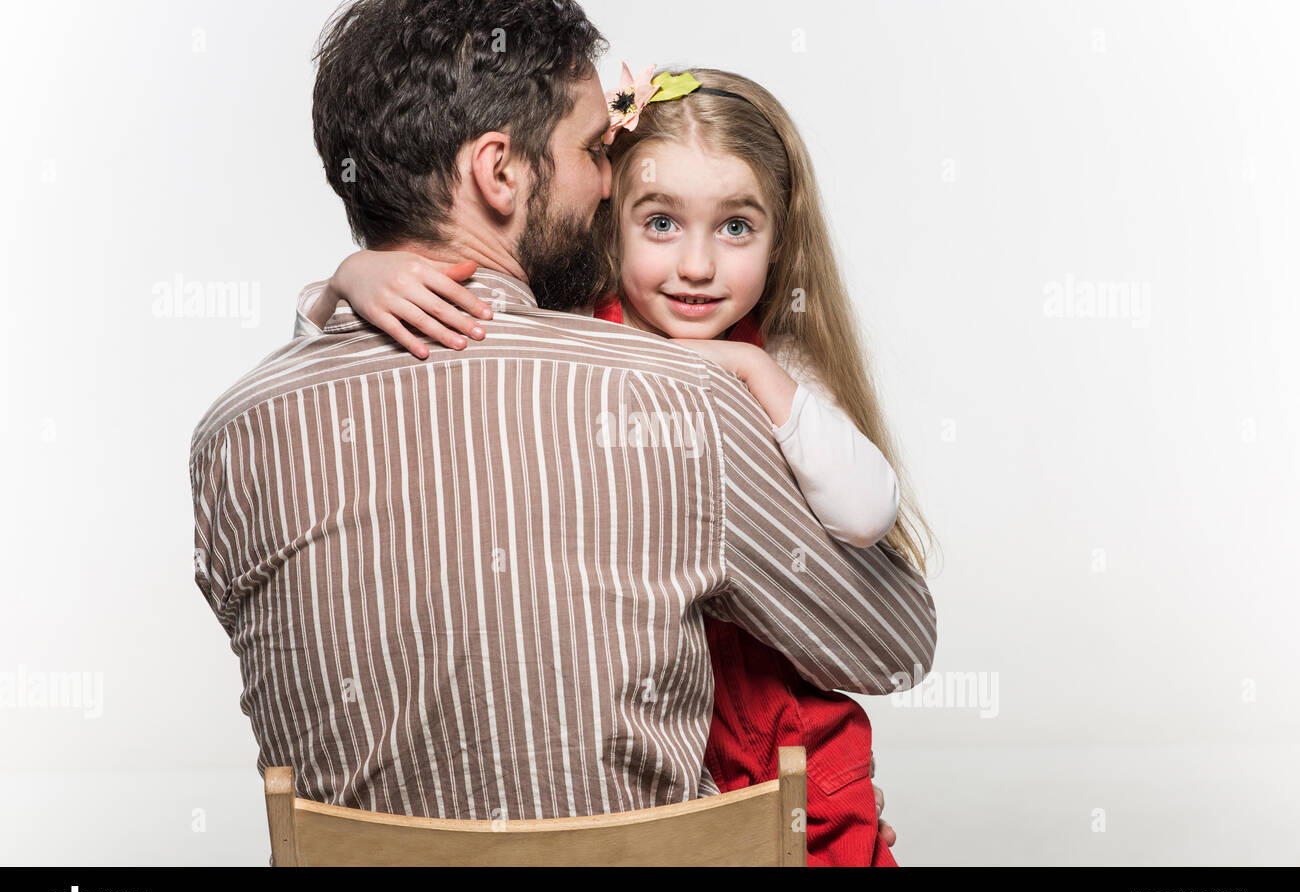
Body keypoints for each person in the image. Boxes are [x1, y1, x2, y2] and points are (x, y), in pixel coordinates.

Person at [190, 0, 937, 831]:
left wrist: (342, 287)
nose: (612, 178)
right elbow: (894, 646)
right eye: (592, 150)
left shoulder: (232, 437)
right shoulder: (677, 402)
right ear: (499, 172)